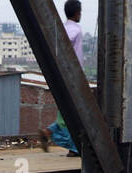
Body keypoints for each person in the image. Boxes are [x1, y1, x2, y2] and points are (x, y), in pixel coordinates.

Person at [41, 2, 85, 155]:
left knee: (66, 111)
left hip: (63, 75)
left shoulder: (62, 28)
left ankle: (49, 132)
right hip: (73, 76)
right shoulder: (75, 30)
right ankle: (72, 147)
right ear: (77, 12)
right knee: (75, 112)